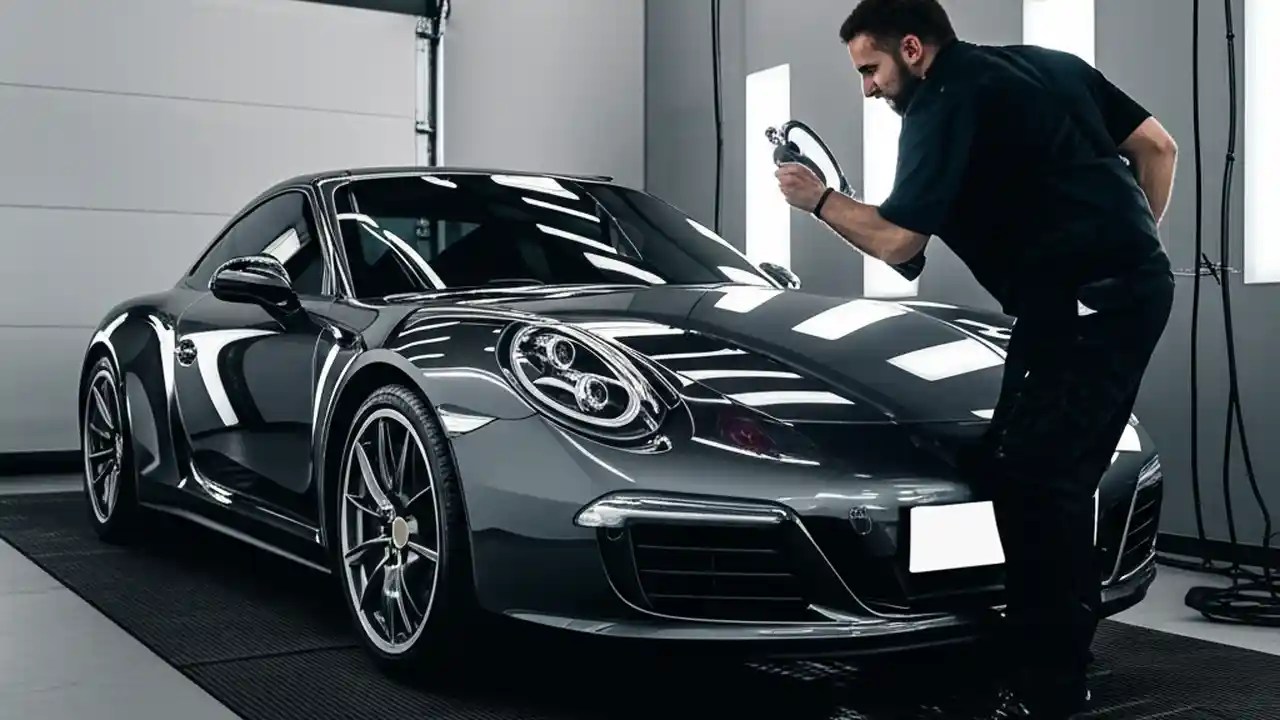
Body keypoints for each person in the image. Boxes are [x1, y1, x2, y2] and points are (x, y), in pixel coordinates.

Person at [775, 0, 1178, 717]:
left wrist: (817, 200)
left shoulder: (943, 103)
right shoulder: (1044, 65)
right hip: (1104, 299)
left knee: (1038, 484)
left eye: (870, 70)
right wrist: (1133, 247)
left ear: (912, 49)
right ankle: (1029, 643)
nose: (867, 88)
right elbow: (1157, 147)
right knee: (1023, 466)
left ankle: (1050, 685)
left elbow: (899, 242)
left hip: (1083, 307)